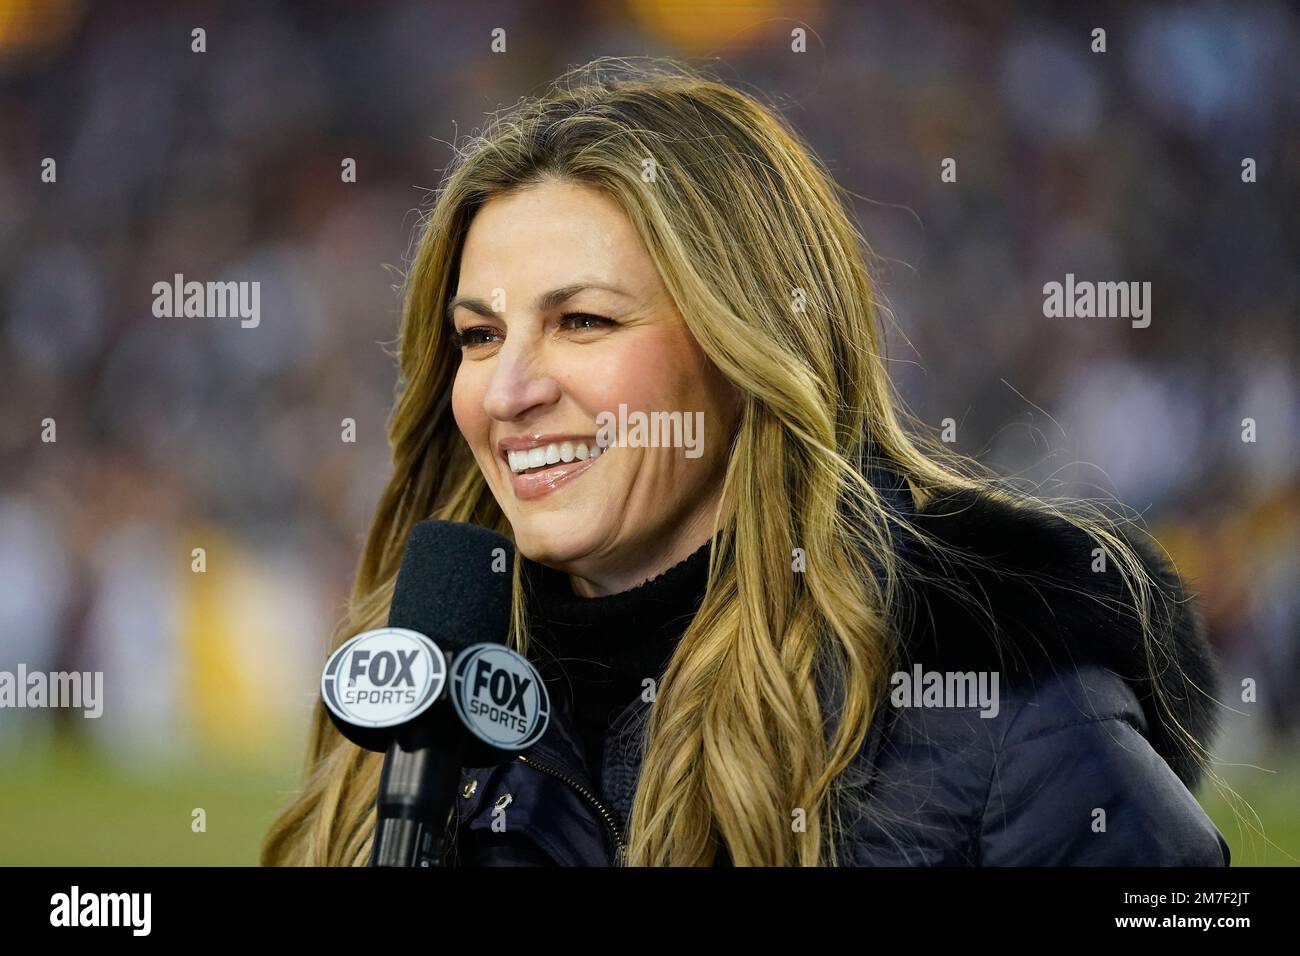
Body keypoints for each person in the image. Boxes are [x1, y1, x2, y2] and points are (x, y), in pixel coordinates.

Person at [263, 58, 1229, 867]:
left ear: (745, 346)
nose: (507, 391)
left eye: (583, 321)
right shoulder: (418, 717)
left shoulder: (1010, 710)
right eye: (478, 336)